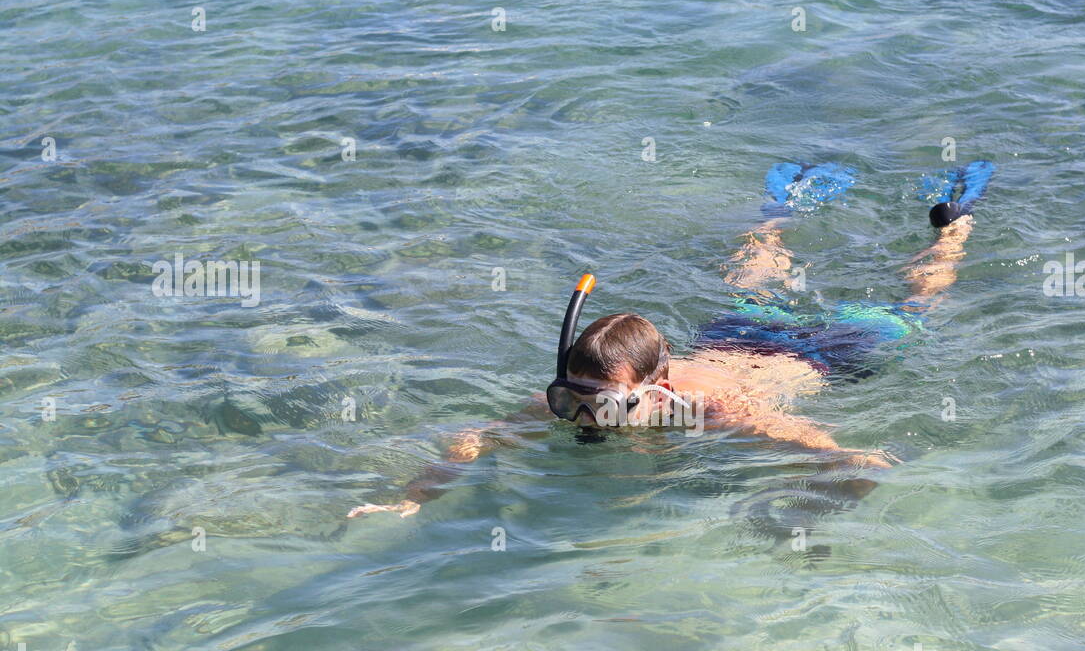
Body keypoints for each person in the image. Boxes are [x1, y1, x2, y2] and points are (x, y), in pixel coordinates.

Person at [347, 162, 991, 520]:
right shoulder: (573, 398)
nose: (592, 416)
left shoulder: (705, 410)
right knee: (751, 278)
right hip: (733, 336)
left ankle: (951, 230)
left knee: (915, 309)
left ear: (656, 390)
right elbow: (477, 436)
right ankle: (778, 216)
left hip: (811, 355)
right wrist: (411, 499)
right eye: (577, 398)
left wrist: (849, 463)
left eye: (611, 405)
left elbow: (805, 437)